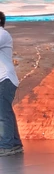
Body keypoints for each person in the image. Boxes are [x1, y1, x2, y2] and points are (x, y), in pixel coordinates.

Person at [0, 11, 23, 156]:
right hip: (4, 79)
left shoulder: (2, 34)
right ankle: (14, 143)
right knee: (5, 112)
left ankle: (6, 145)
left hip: (5, 79)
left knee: (3, 114)